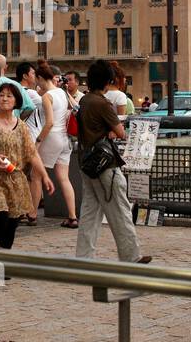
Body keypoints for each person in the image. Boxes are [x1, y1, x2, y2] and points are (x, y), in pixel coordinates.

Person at [74, 60, 150, 265]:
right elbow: (120, 132)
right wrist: (112, 130)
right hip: (105, 166)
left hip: (86, 162)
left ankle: (83, 258)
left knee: (89, 214)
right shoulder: (102, 103)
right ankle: (131, 256)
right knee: (119, 210)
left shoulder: (85, 100)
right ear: (108, 81)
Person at [0, 82, 53, 262]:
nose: (4, 98)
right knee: (0, 217)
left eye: (9, 95)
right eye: (1, 95)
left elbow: (31, 153)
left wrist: (45, 176)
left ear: (16, 101)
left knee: (11, 225)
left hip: (16, 180)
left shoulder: (21, 126)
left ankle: (0, 263)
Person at [32, 61, 77, 229]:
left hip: (51, 137)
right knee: (64, 178)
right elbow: (74, 108)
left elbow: (49, 123)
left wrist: (38, 141)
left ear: (39, 78)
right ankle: (72, 217)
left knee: (36, 175)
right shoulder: (62, 92)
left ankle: (32, 214)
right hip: (65, 139)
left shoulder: (47, 97)